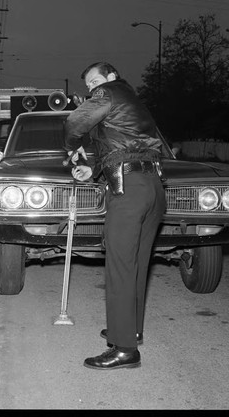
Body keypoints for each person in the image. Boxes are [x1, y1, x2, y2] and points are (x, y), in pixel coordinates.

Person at [64, 62, 166, 370]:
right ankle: (129, 329)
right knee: (135, 265)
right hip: (152, 187)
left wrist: (72, 148)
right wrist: (93, 169)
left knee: (120, 266)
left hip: (131, 191)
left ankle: (124, 350)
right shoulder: (131, 101)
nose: (93, 88)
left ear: (111, 76)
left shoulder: (109, 93)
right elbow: (123, 146)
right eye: (89, 85)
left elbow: (73, 123)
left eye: (96, 80)